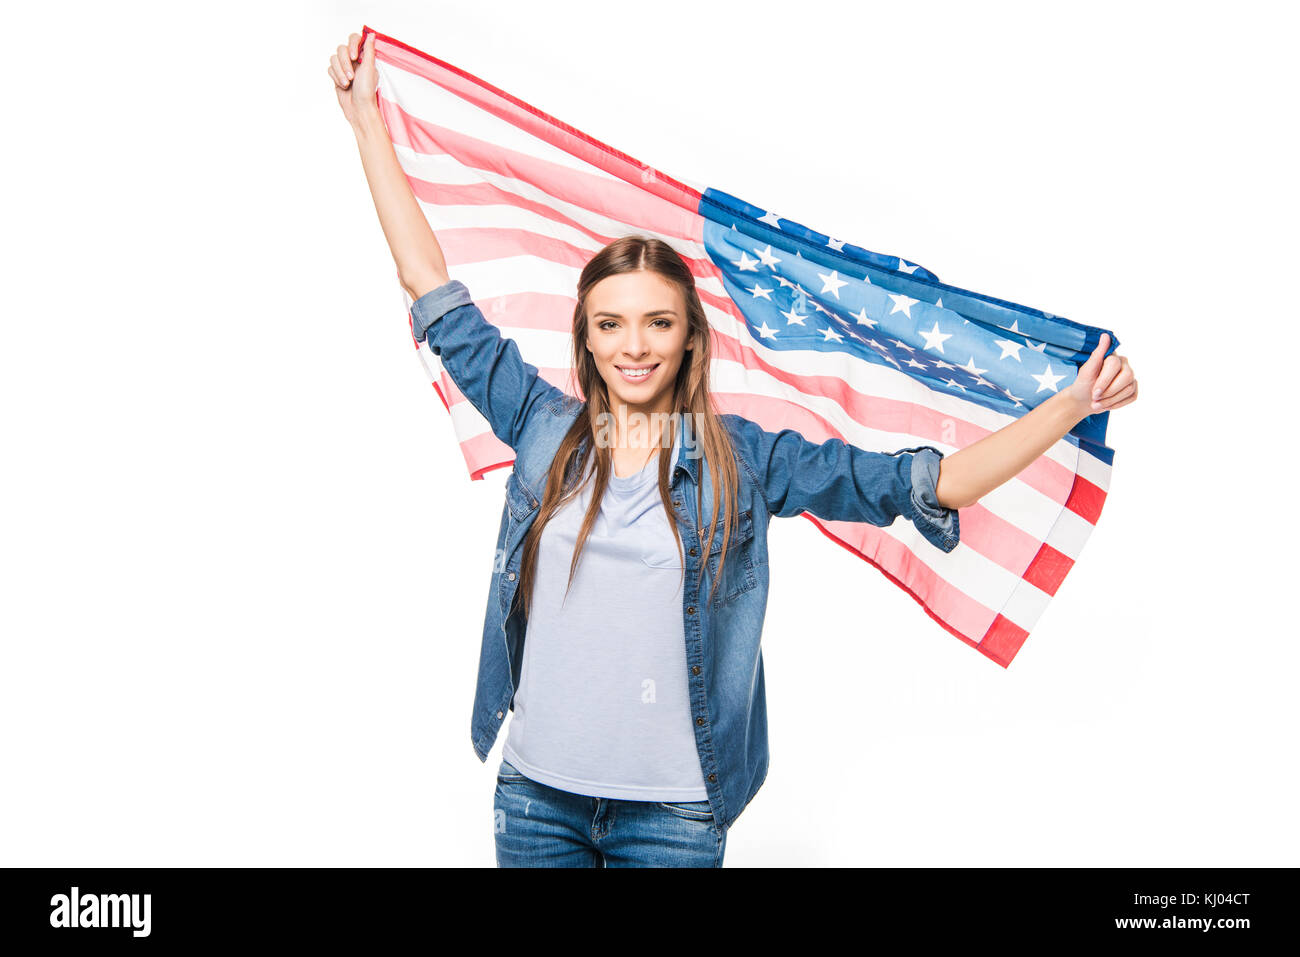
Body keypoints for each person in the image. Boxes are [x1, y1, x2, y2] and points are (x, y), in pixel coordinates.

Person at [327, 31, 1139, 868]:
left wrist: (1070, 403)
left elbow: (929, 483)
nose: (633, 345)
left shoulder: (745, 460)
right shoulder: (539, 423)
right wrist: (366, 127)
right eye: (611, 324)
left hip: (673, 818)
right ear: (587, 337)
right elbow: (432, 285)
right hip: (536, 801)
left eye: (658, 323)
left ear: (688, 339)